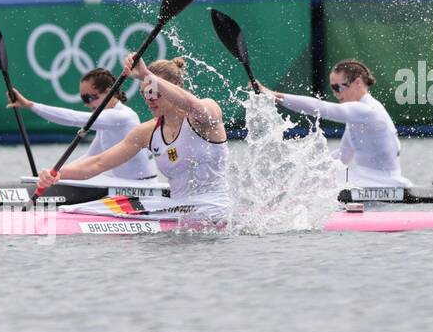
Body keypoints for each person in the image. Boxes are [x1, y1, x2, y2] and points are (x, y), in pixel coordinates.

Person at [36, 56, 230, 224]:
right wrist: (57, 174)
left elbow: (190, 103)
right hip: (176, 207)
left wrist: (147, 75)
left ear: (175, 88)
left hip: (212, 207)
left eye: (154, 90)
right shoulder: (146, 132)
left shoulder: (205, 113)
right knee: (93, 206)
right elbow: (98, 163)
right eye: (145, 92)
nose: (149, 98)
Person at [254, 60, 412, 188]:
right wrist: (303, 171)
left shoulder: (367, 110)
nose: (336, 93)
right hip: (365, 179)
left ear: (357, 82)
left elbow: (322, 108)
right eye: (332, 88)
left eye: (338, 87)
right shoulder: (356, 118)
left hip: (385, 184)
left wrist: (273, 95)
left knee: (310, 187)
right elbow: (342, 158)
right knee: (306, 182)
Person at [9, 68, 158, 180]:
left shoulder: (122, 116)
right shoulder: (106, 122)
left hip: (143, 187)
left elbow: (73, 117)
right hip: (124, 184)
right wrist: (54, 172)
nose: (86, 104)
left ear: (108, 92)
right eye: (83, 99)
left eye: (89, 98)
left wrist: (30, 105)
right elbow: (90, 157)